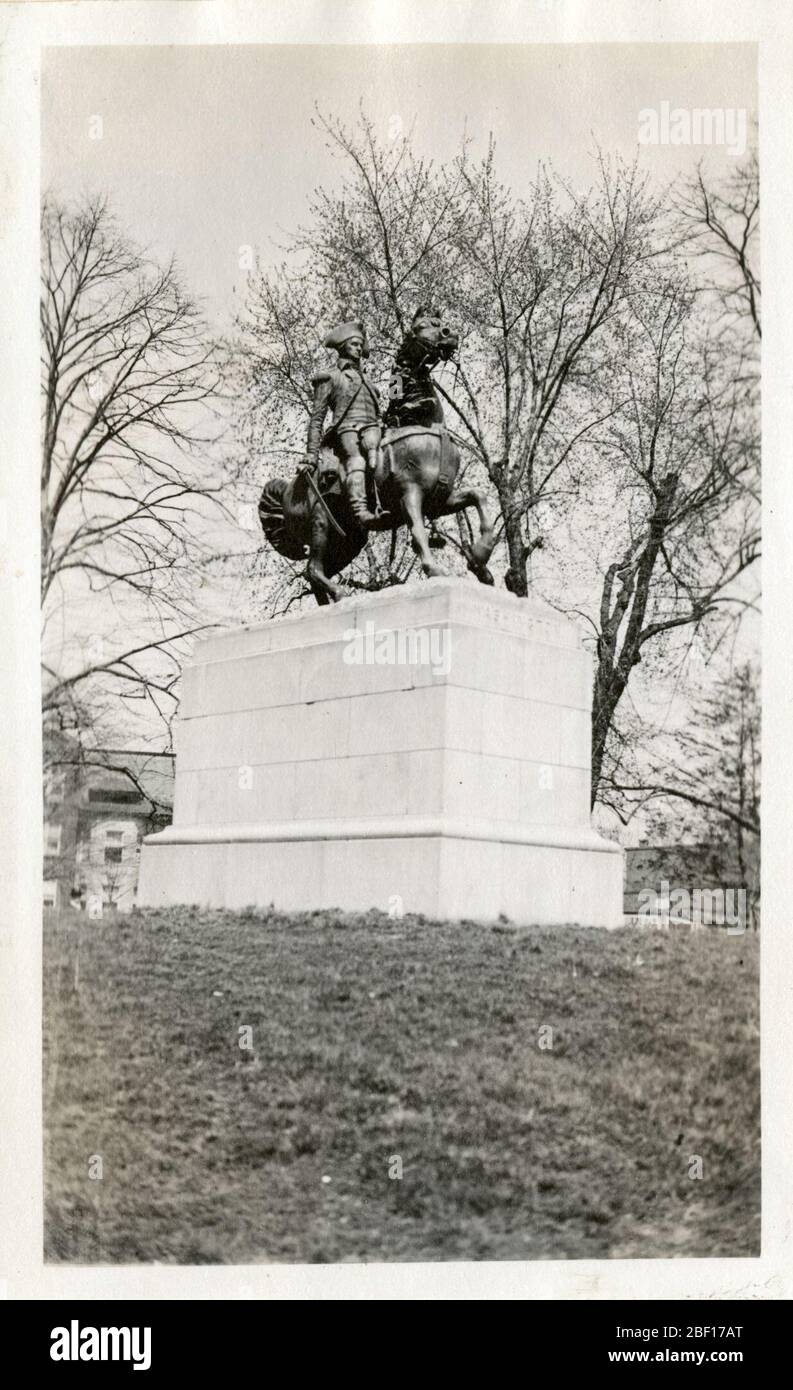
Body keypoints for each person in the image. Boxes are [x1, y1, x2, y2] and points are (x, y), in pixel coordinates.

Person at [305, 320, 381, 528]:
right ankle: (361, 511)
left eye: (360, 345)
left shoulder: (370, 383)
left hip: (374, 431)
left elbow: (386, 408)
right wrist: (312, 455)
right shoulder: (330, 377)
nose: (358, 348)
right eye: (354, 344)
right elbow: (317, 418)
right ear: (342, 346)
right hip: (347, 430)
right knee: (356, 459)